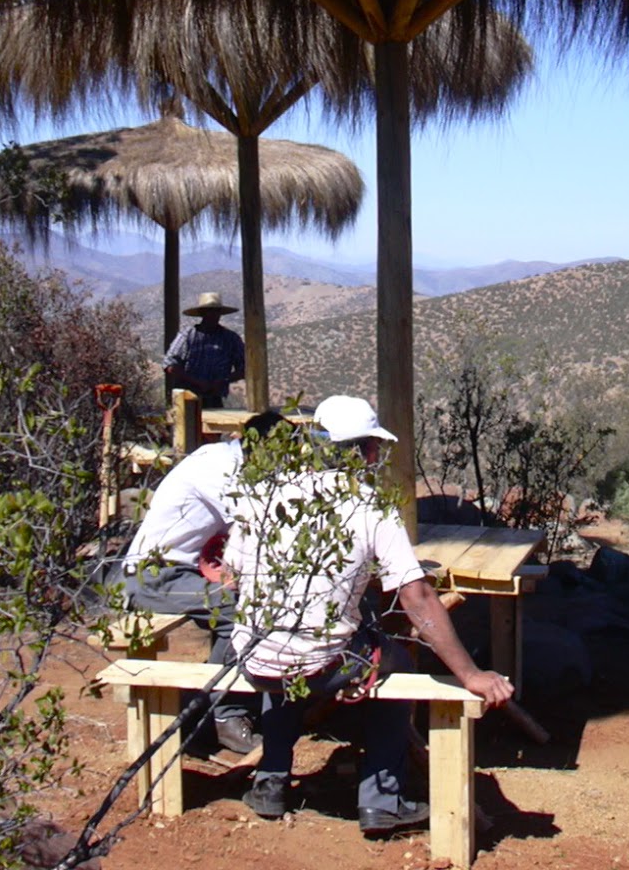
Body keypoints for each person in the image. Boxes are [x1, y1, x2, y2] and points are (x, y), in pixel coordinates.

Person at [225, 394, 514, 835]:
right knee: (394, 663)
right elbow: (415, 596)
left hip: (252, 656)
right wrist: (470, 673)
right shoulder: (369, 506)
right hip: (318, 662)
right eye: (374, 447)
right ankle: (382, 800)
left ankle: (270, 781)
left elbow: (234, 573)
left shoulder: (262, 495)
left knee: (283, 646)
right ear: (365, 451)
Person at [116, 410, 286, 755]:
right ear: (250, 445)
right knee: (243, 613)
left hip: (177, 573)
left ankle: (204, 711)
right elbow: (258, 525)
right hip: (153, 576)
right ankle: (223, 713)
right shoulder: (219, 467)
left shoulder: (230, 462)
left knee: (246, 606)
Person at [163, 292, 246, 407]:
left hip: (215, 398)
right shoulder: (187, 335)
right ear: (202, 313)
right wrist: (196, 382)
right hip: (186, 398)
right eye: (209, 311)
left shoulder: (230, 339)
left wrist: (223, 381)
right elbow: (170, 365)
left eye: (216, 311)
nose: (213, 315)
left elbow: (245, 368)